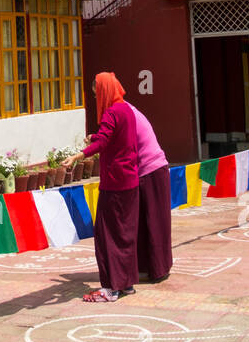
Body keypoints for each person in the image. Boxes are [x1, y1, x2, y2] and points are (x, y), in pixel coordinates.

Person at [68, 72, 139, 303]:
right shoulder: (127, 109)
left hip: (115, 182)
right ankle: (126, 283)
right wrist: (98, 137)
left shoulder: (111, 112)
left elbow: (103, 142)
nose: (96, 97)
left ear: (105, 91)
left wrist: (78, 155)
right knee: (125, 233)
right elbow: (111, 138)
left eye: (97, 93)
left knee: (107, 235)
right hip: (130, 180)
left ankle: (111, 288)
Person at [130, 100, 173, 283]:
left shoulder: (124, 113)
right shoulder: (127, 110)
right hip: (148, 170)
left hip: (151, 170)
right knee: (141, 221)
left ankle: (158, 268)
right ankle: (147, 266)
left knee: (154, 221)